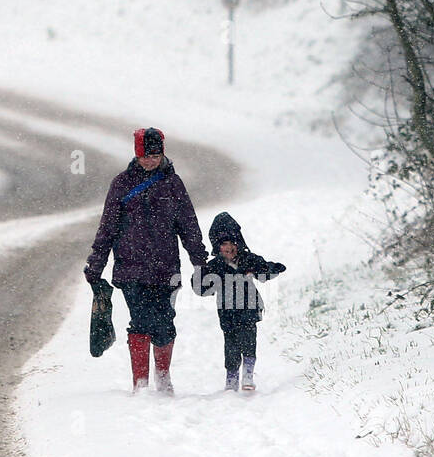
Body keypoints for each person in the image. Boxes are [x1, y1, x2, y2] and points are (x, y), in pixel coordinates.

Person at [84, 127, 208, 394]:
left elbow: (188, 225)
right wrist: (96, 263)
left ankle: (163, 379)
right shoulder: (121, 184)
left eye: (155, 155)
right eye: (145, 155)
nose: (150, 160)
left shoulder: (173, 184)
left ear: (162, 153)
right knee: (140, 321)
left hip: (166, 269)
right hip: (131, 268)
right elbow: (107, 227)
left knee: (164, 324)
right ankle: (140, 383)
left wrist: (199, 260)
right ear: (136, 154)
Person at [196, 212, 286, 391]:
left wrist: (268, 268)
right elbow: (200, 289)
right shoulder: (214, 266)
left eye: (232, 243)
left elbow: (267, 270)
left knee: (249, 340)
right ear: (217, 246)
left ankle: (248, 375)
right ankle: (231, 377)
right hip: (227, 311)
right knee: (230, 345)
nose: (228, 248)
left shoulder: (248, 259)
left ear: (239, 244)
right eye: (223, 244)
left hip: (249, 307)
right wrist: (200, 270)